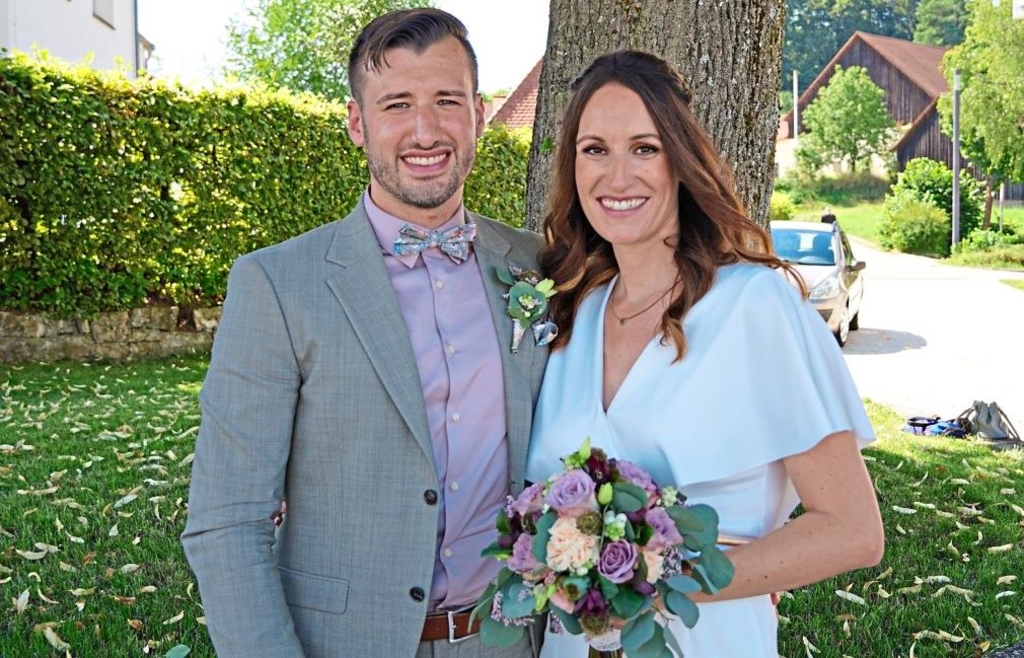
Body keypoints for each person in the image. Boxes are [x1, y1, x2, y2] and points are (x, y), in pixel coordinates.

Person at [181, 8, 546, 658]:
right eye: (396, 104)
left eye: (446, 101)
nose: (425, 129)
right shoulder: (277, 284)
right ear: (358, 123)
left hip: (513, 643)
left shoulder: (542, 267)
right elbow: (226, 521)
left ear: (480, 115)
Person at [526, 50, 884, 657]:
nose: (617, 177)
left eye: (644, 147)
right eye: (595, 149)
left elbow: (852, 532)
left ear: (680, 161)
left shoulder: (754, 304)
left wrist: (655, 580)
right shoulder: (573, 312)